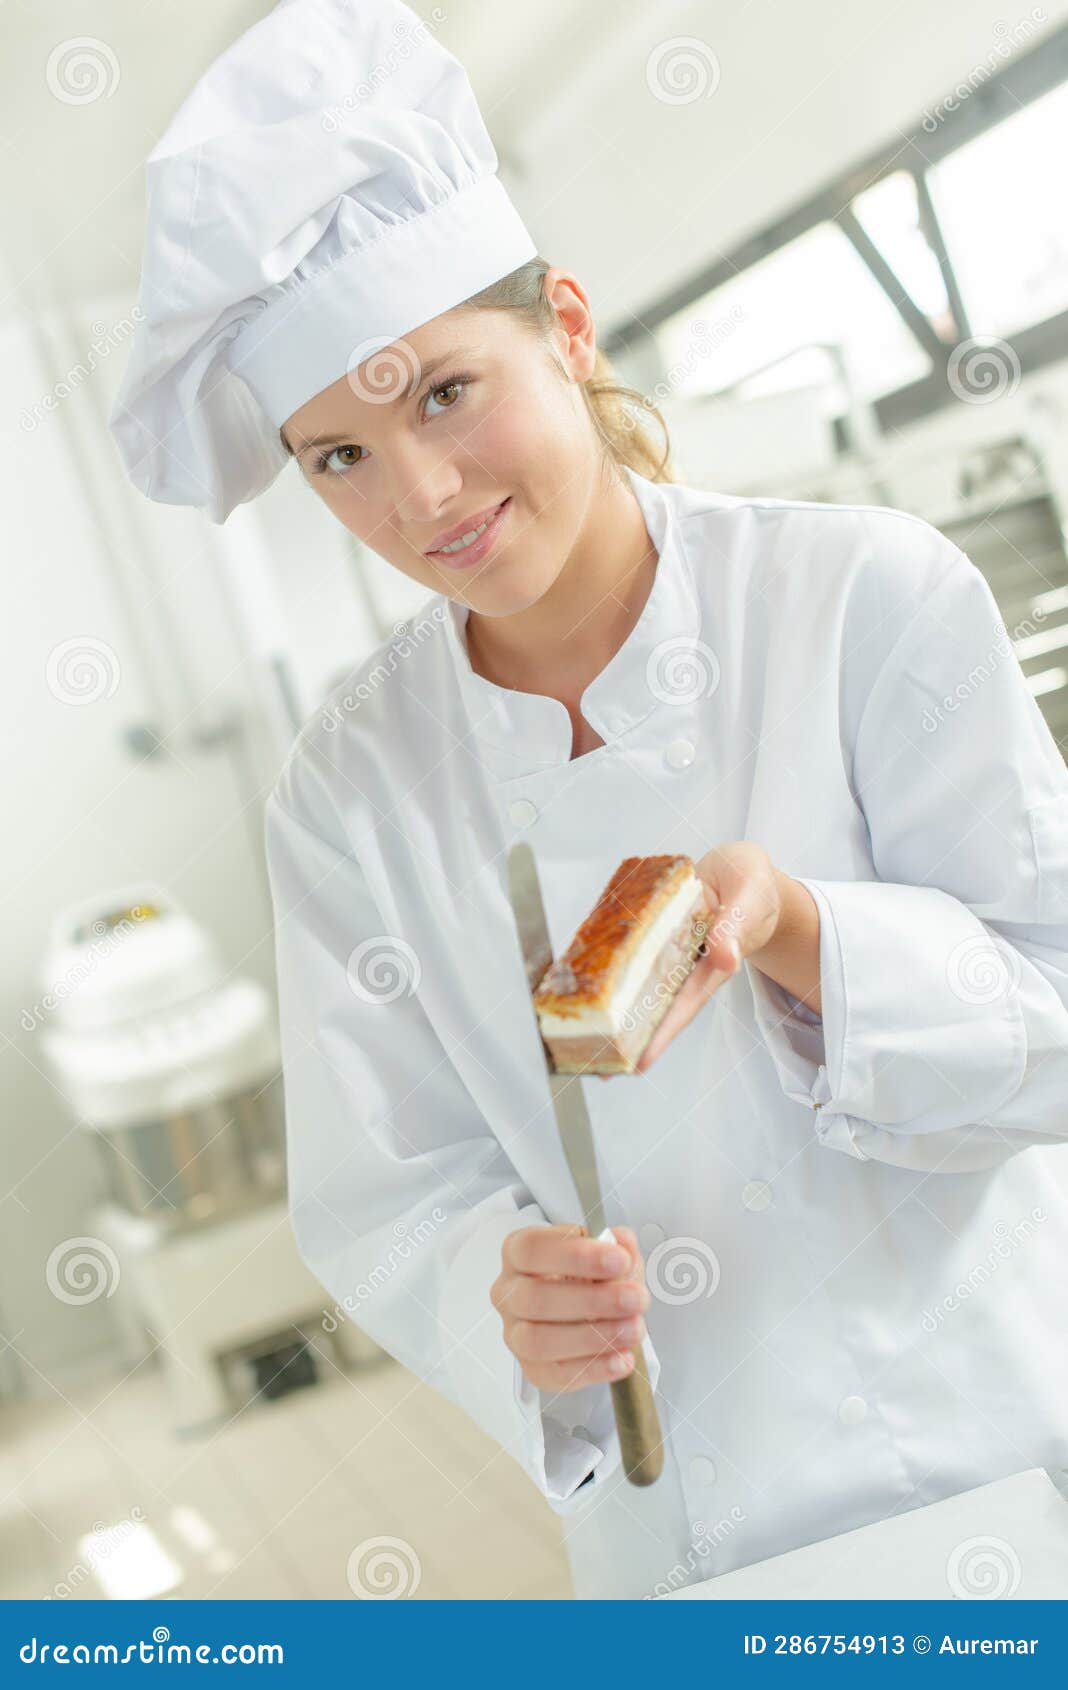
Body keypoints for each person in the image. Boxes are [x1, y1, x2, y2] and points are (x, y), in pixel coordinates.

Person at [108, 0, 1068, 1602]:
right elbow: (385, 1190)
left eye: (443, 393)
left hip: (995, 1472)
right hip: (673, 1541)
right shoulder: (350, 789)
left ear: (566, 325)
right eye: (337, 457)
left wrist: (803, 931)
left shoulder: (865, 598)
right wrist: (503, 1294)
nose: (419, 496)